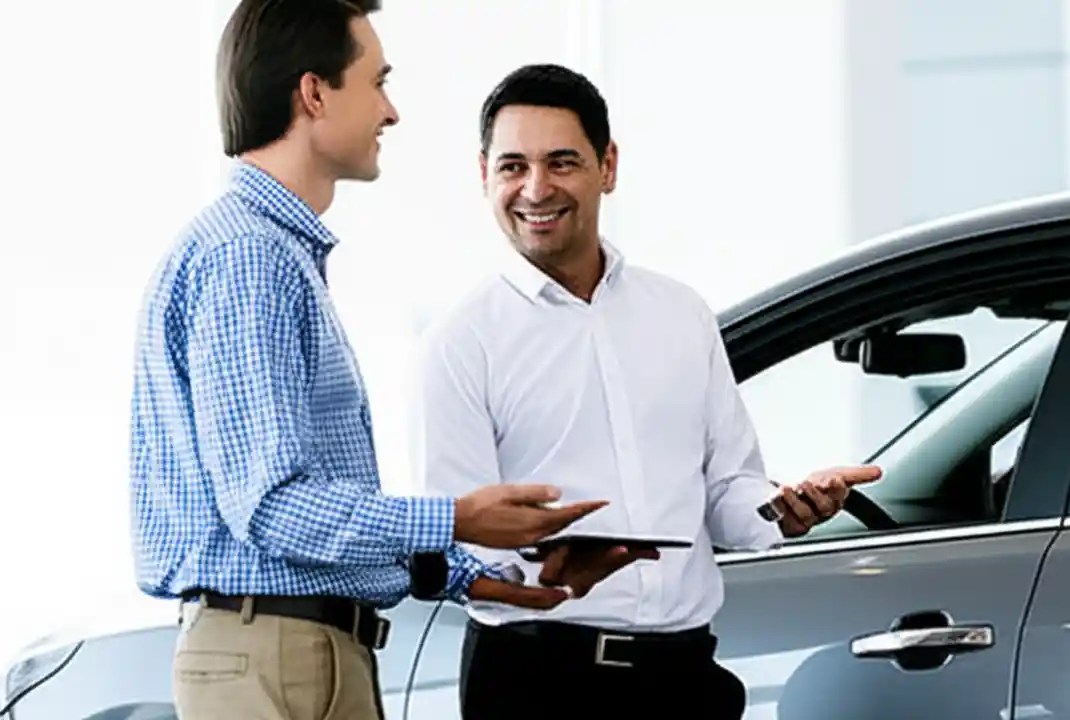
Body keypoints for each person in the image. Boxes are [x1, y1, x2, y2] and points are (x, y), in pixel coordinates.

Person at [128, 6, 614, 719]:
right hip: (276, 658)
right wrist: (454, 520)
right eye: (376, 82)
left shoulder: (269, 252)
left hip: (292, 650)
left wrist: (465, 571)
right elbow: (271, 506)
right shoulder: (249, 257)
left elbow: (298, 509)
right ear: (314, 93)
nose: (391, 111)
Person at [413, 63, 884, 720]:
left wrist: (787, 508)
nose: (535, 188)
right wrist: (549, 566)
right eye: (513, 166)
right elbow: (466, 544)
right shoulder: (461, 341)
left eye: (562, 162)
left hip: (682, 677)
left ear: (608, 166)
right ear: (483, 175)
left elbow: (728, 497)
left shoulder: (680, 314)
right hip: (535, 682)